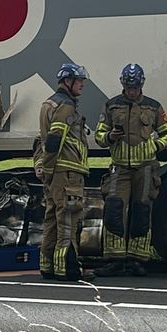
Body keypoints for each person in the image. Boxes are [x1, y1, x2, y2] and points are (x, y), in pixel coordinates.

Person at [94, 63, 167, 275]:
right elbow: (98, 135)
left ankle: (137, 260)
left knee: (142, 211)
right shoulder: (111, 106)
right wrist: (109, 137)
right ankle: (114, 259)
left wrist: (157, 145)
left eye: (136, 88)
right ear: (123, 84)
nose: (132, 91)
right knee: (114, 209)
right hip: (119, 167)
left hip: (146, 168)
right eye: (129, 87)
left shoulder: (153, 107)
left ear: (141, 85)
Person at [36, 62, 95, 282]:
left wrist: (42, 167)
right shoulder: (66, 106)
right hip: (67, 171)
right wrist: (50, 168)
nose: (82, 85)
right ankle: (68, 268)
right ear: (67, 81)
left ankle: (48, 265)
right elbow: (54, 139)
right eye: (79, 81)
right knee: (68, 218)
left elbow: (40, 140)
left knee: (52, 218)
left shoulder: (48, 104)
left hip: (56, 172)